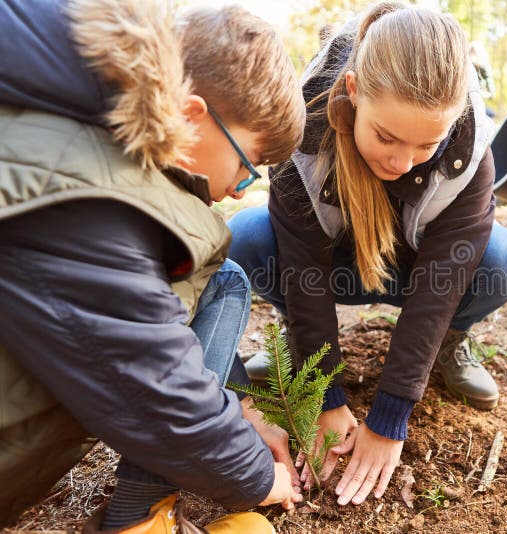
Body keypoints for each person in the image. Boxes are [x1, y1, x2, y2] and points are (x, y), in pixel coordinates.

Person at [0, 1, 307, 532]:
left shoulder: (68, 124)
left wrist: (239, 413)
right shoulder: (81, 199)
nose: (241, 187)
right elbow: (154, 388)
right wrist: (260, 477)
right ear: (192, 115)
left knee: (221, 281)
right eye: (245, 163)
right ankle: (136, 522)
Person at [228, 1, 507, 508]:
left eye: (424, 145)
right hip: (330, 268)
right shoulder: (301, 128)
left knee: (500, 260)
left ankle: (450, 342)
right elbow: (302, 269)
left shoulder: (468, 146)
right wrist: (325, 397)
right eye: (385, 136)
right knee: (247, 237)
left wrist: (390, 415)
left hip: (415, 272)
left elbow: (441, 281)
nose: (401, 161)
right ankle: (298, 348)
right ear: (352, 94)